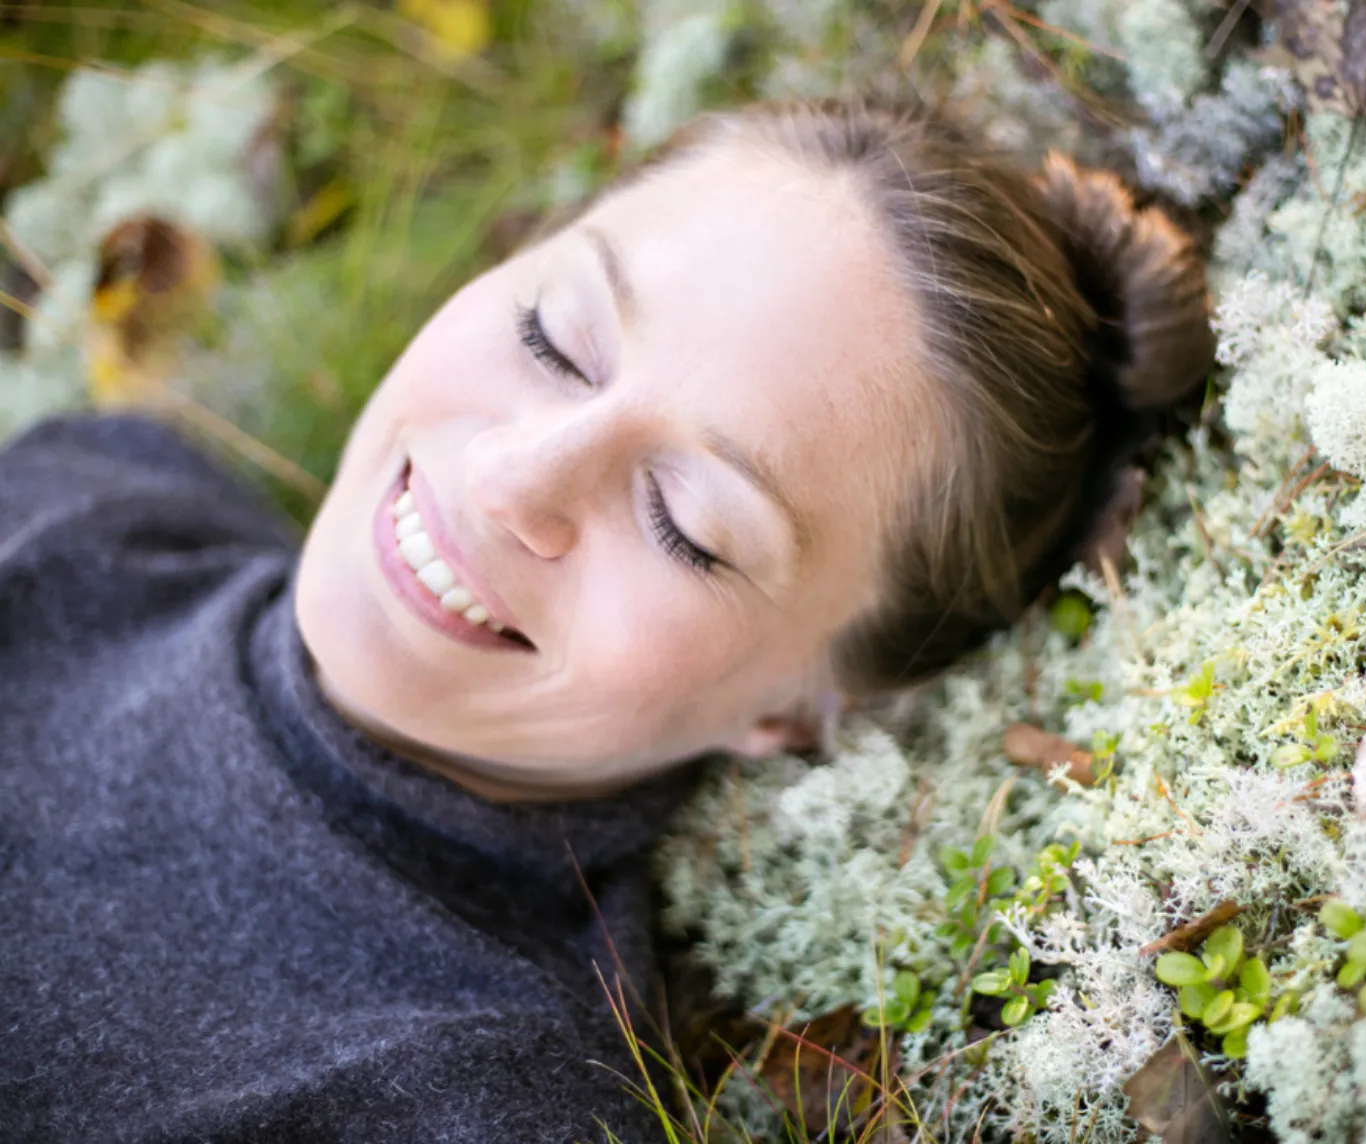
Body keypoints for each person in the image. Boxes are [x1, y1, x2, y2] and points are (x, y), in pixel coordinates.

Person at [0, 98, 1212, 1142]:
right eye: (553, 337)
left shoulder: (462, 1103)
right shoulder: (95, 491)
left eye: (686, 523)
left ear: (795, 706)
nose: (512, 481)